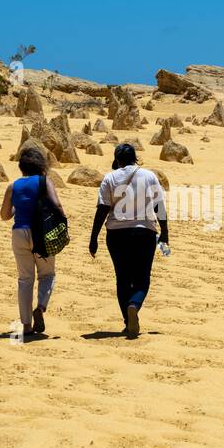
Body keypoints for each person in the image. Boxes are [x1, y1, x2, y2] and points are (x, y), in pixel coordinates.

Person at [88, 143, 169, 337]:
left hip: (116, 234)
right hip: (144, 233)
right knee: (142, 279)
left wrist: (93, 238)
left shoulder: (109, 178)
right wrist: (165, 231)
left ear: (117, 160)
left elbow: (102, 209)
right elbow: (159, 205)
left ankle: (127, 320)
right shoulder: (149, 176)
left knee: (123, 278)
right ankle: (134, 305)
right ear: (136, 158)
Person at [0, 147, 64, 335]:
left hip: (19, 233)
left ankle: (26, 325)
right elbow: (57, 204)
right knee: (47, 274)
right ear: (41, 165)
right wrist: (62, 222)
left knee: (25, 279)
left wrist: (17, 210)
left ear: (22, 167)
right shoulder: (45, 182)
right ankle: (41, 307)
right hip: (42, 234)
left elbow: (4, 215)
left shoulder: (13, 186)